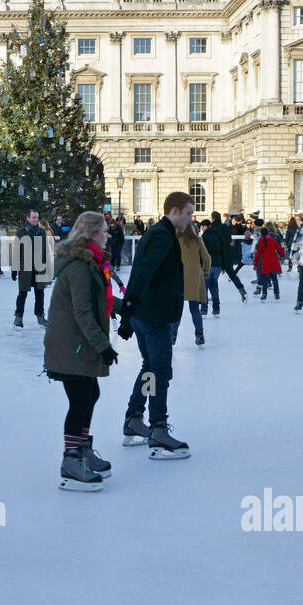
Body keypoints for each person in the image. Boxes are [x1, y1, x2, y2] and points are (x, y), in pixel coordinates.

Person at [44, 211, 118, 491]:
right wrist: (104, 346)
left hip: (77, 342)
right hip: (70, 344)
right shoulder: (78, 265)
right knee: (80, 399)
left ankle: (82, 450)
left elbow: (98, 298)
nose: (107, 235)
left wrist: (124, 307)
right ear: (90, 235)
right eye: (104, 231)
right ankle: (70, 460)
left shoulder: (91, 262)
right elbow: (83, 311)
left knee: (90, 394)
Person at [118, 192, 193, 459]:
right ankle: (158, 429)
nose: (190, 219)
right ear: (175, 211)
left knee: (150, 367)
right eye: (187, 213)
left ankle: (134, 419)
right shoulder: (162, 235)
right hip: (152, 316)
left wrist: (130, 311)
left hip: (144, 313)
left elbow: (140, 271)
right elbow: (144, 271)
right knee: (160, 370)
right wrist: (128, 309)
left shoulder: (158, 233)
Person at [12, 208, 51, 329]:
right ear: (28, 218)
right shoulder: (21, 232)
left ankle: (40, 316)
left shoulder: (42, 232)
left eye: (37, 217)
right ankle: (18, 317)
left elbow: (46, 251)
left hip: (39, 267)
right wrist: (14, 269)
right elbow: (16, 252)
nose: (36, 220)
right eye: (33, 217)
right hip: (25, 267)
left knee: (40, 293)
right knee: (22, 293)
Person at [176, 221, 211, 345]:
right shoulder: (197, 240)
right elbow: (207, 258)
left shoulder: (177, 240)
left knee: (177, 308)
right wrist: (205, 271)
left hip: (179, 276)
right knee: (195, 308)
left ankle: (172, 334)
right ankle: (199, 334)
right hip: (195, 276)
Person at [253, 225, 285, 302]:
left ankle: (264, 294)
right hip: (273, 261)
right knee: (275, 279)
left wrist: (256, 264)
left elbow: (258, 254)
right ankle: (277, 294)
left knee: (264, 279)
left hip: (266, 263)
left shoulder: (261, 242)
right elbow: (279, 248)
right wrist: (283, 255)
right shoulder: (273, 240)